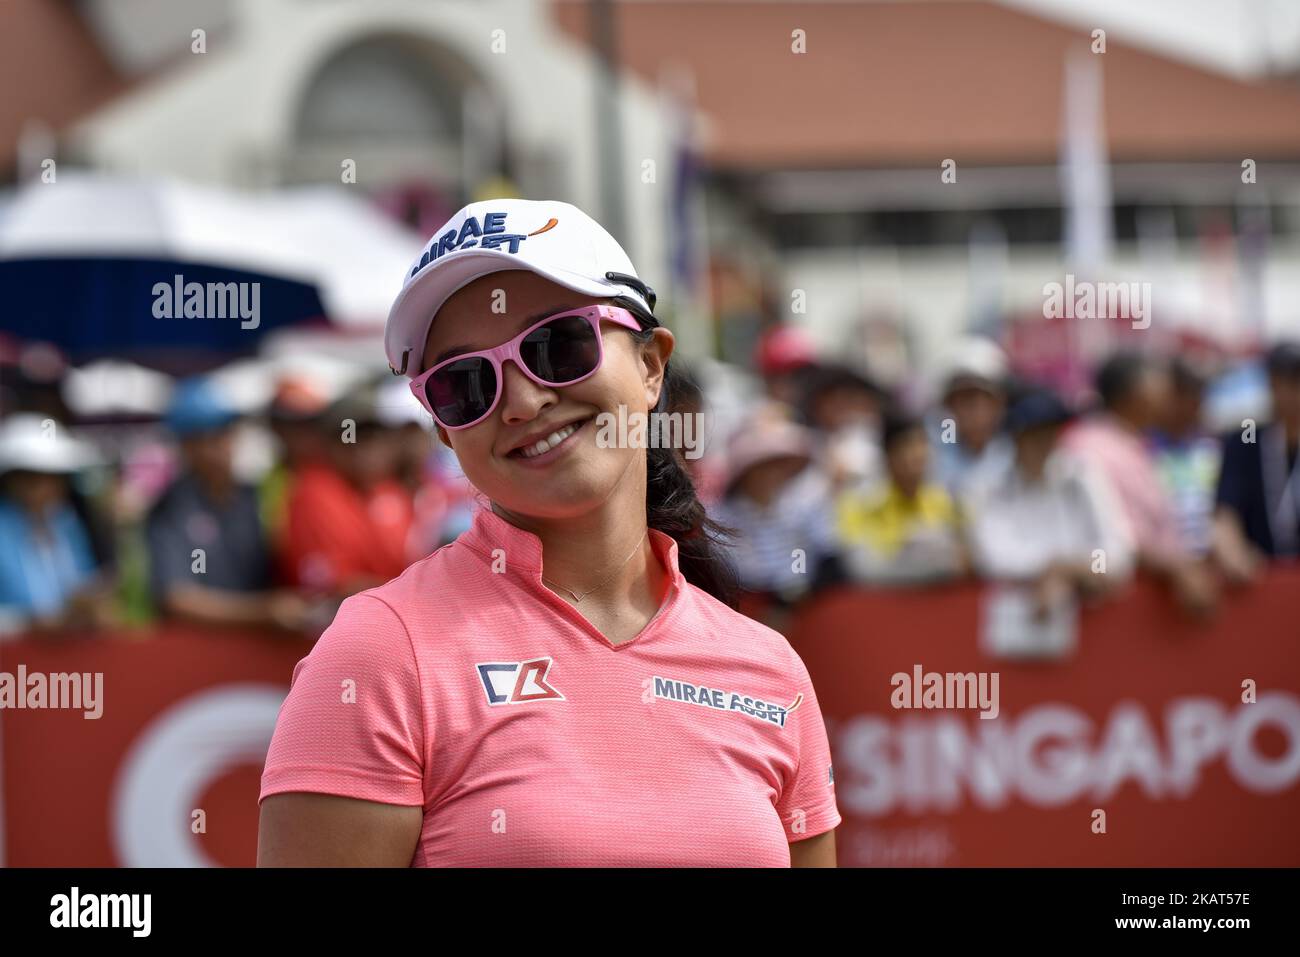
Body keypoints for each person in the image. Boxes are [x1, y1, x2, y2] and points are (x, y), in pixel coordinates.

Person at [258, 198, 840, 867]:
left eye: (557, 345)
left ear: (651, 365)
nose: (524, 400)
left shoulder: (769, 668)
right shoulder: (382, 653)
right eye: (464, 381)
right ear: (444, 428)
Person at [146, 378, 312, 633]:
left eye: (225, 433)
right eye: (205, 437)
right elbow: (177, 599)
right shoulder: (169, 509)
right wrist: (262, 612)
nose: (219, 446)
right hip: (193, 655)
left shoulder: (253, 496)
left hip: (257, 651)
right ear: (185, 447)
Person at [1061, 352, 1218, 615]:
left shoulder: (1137, 445)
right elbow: (1115, 534)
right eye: (1159, 384)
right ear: (1135, 393)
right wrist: (1177, 569)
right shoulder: (1089, 448)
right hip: (1108, 613)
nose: (1168, 394)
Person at [964, 389, 1133, 618]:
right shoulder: (987, 486)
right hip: (1009, 622)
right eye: (1034, 433)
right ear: (1016, 436)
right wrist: (1057, 569)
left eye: (1050, 431)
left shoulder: (1082, 475)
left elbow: (1115, 548)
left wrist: (1077, 569)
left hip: (1090, 621)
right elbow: (991, 556)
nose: (1044, 442)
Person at [276, 381, 417, 600]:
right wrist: (417, 595)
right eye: (351, 439)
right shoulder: (314, 493)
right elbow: (334, 589)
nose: (364, 451)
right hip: (342, 624)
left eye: (373, 437)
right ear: (330, 446)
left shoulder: (389, 490)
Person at [709, 409, 840, 606]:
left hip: (801, 610)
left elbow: (816, 555)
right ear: (746, 471)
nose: (774, 474)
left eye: (781, 465)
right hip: (741, 608)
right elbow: (734, 570)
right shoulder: (718, 517)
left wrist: (795, 589)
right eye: (765, 466)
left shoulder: (805, 510)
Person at [0, 413, 115, 634]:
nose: (48, 487)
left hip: (66, 665)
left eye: (56, 476)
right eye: (33, 477)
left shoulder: (67, 524)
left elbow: (83, 589)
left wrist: (93, 604)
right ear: (10, 480)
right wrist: (28, 624)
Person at [835, 412, 966, 585]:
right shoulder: (857, 503)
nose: (916, 454)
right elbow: (859, 568)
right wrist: (927, 560)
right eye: (906, 445)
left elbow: (963, 563)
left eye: (922, 443)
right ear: (887, 455)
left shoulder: (948, 501)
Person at [1213, 341, 1300, 572]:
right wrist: (1232, 551)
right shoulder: (1247, 439)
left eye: (1296, 381)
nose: (1291, 392)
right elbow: (1225, 512)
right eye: (1283, 381)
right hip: (1260, 581)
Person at [928, 336, 1014, 499]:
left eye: (980, 400)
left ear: (999, 404)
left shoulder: (1016, 455)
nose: (973, 411)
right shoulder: (933, 460)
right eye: (964, 401)